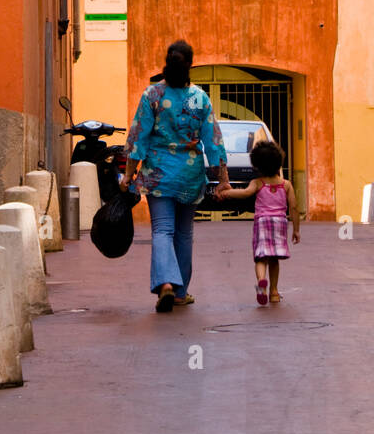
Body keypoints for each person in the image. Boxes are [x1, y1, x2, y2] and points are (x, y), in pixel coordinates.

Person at [122, 40, 230, 312]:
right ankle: (181, 292)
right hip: (190, 176)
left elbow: (139, 138)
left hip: (159, 175)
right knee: (184, 234)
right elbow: (214, 140)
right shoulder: (200, 98)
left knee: (162, 229)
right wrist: (223, 179)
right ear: (190, 64)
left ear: (167, 64)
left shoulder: (152, 96)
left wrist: (128, 175)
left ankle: (166, 285)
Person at [217, 140, 299, 305]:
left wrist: (227, 193)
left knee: (261, 257)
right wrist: (296, 230)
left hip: (262, 222)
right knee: (274, 259)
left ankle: (262, 282)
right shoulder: (286, 185)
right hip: (280, 222)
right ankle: (274, 292)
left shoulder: (258, 183)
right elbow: (295, 207)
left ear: (257, 165)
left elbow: (245, 193)